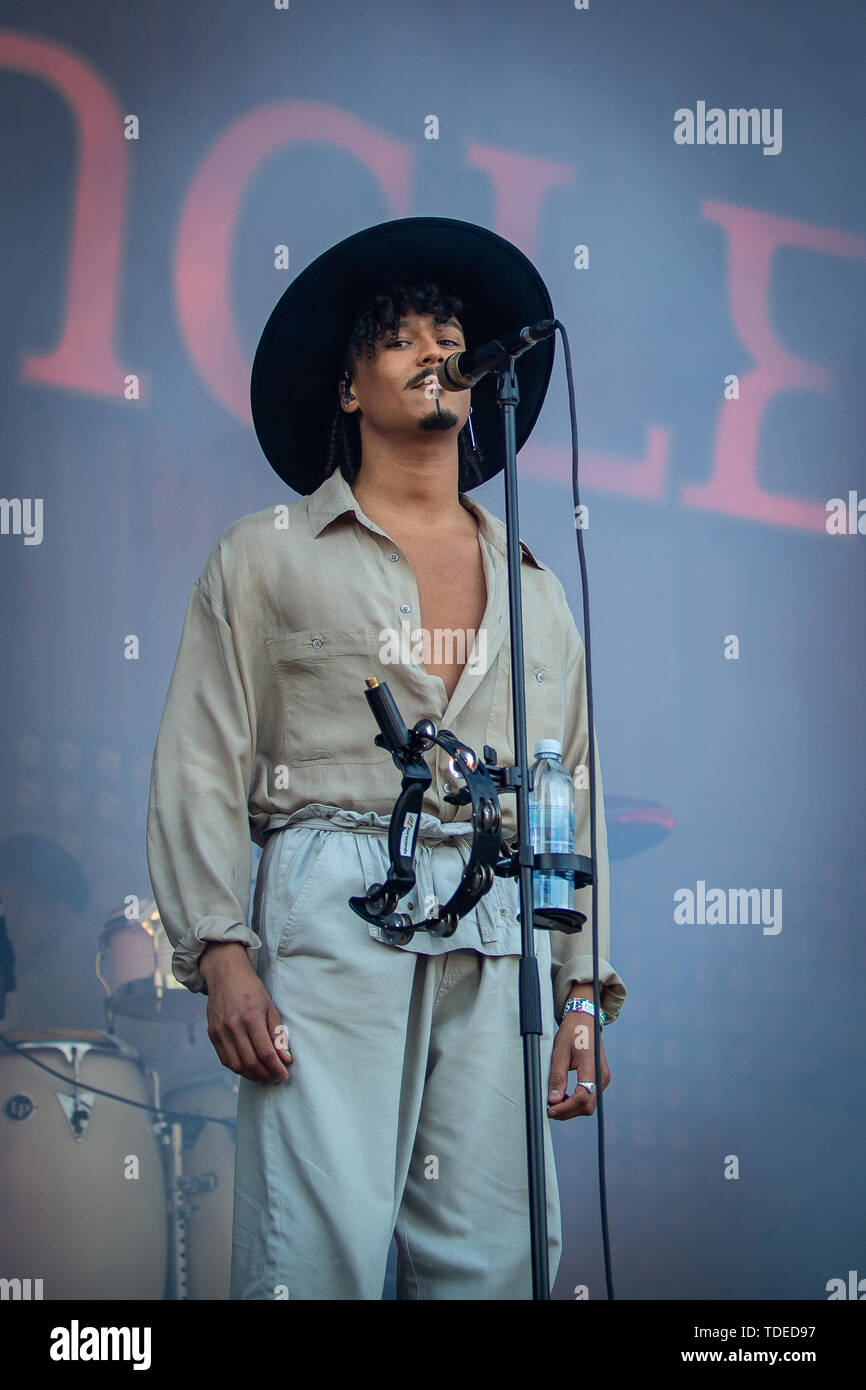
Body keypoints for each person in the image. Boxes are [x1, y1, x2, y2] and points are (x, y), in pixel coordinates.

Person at [146, 216, 627, 1300]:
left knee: (498, 1259)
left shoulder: (538, 591)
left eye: (446, 332)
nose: (432, 348)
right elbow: (199, 763)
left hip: (499, 917)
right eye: (400, 335)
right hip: (332, 903)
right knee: (309, 1252)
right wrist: (219, 949)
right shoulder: (264, 557)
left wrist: (583, 995)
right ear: (350, 387)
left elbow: (573, 799)